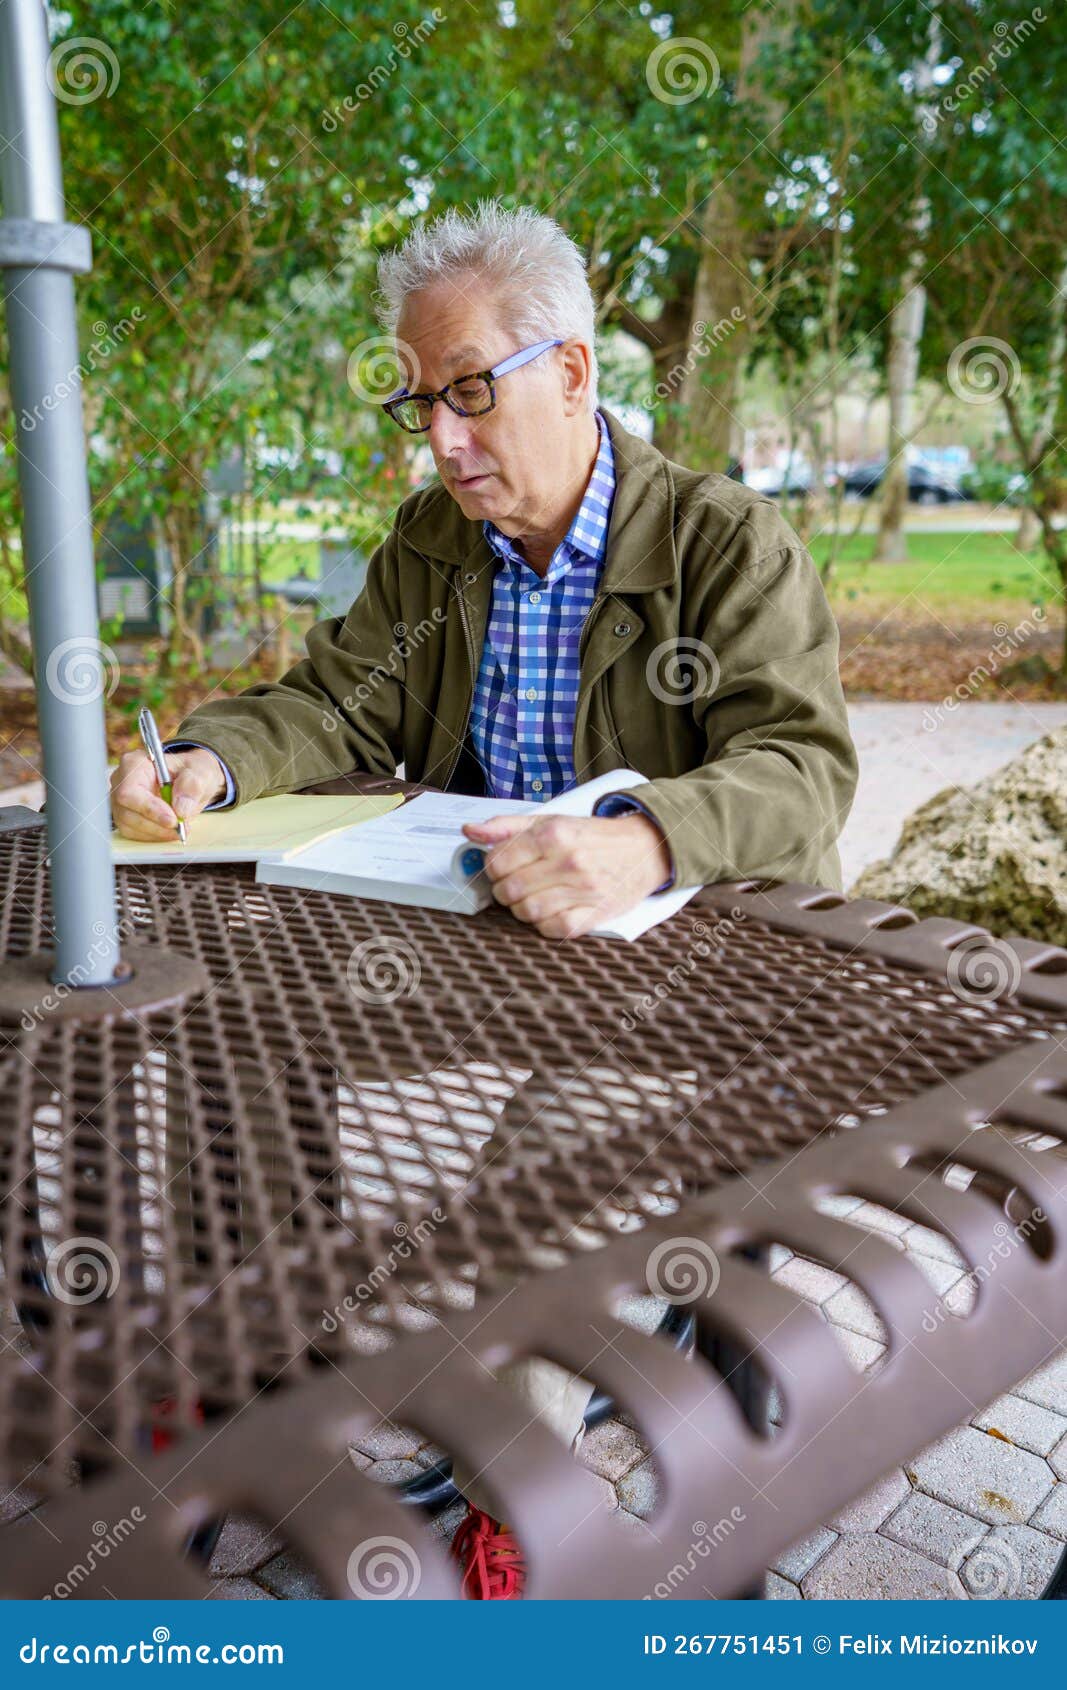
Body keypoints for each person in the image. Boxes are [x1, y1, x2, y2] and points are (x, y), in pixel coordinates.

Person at [110, 200, 858, 1596]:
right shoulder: (434, 546)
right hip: (464, 944)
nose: (442, 439)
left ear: (573, 372)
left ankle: (522, 1489)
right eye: (421, 402)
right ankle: (277, 1373)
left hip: (671, 975)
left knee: (544, 1174)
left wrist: (646, 836)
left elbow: (804, 773)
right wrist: (211, 763)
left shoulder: (726, 545)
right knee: (233, 1029)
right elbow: (331, 701)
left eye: (469, 393)